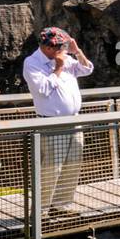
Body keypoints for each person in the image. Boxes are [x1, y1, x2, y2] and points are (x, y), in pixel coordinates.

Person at [23, 26, 94, 217]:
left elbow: (86, 69)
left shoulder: (64, 55)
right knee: (52, 167)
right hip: (52, 122)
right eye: (59, 47)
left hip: (74, 120)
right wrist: (59, 68)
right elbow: (42, 89)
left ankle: (63, 204)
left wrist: (77, 51)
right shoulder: (32, 63)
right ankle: (42, 210)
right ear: (47, 47)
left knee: (73, 162)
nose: (62, 50)